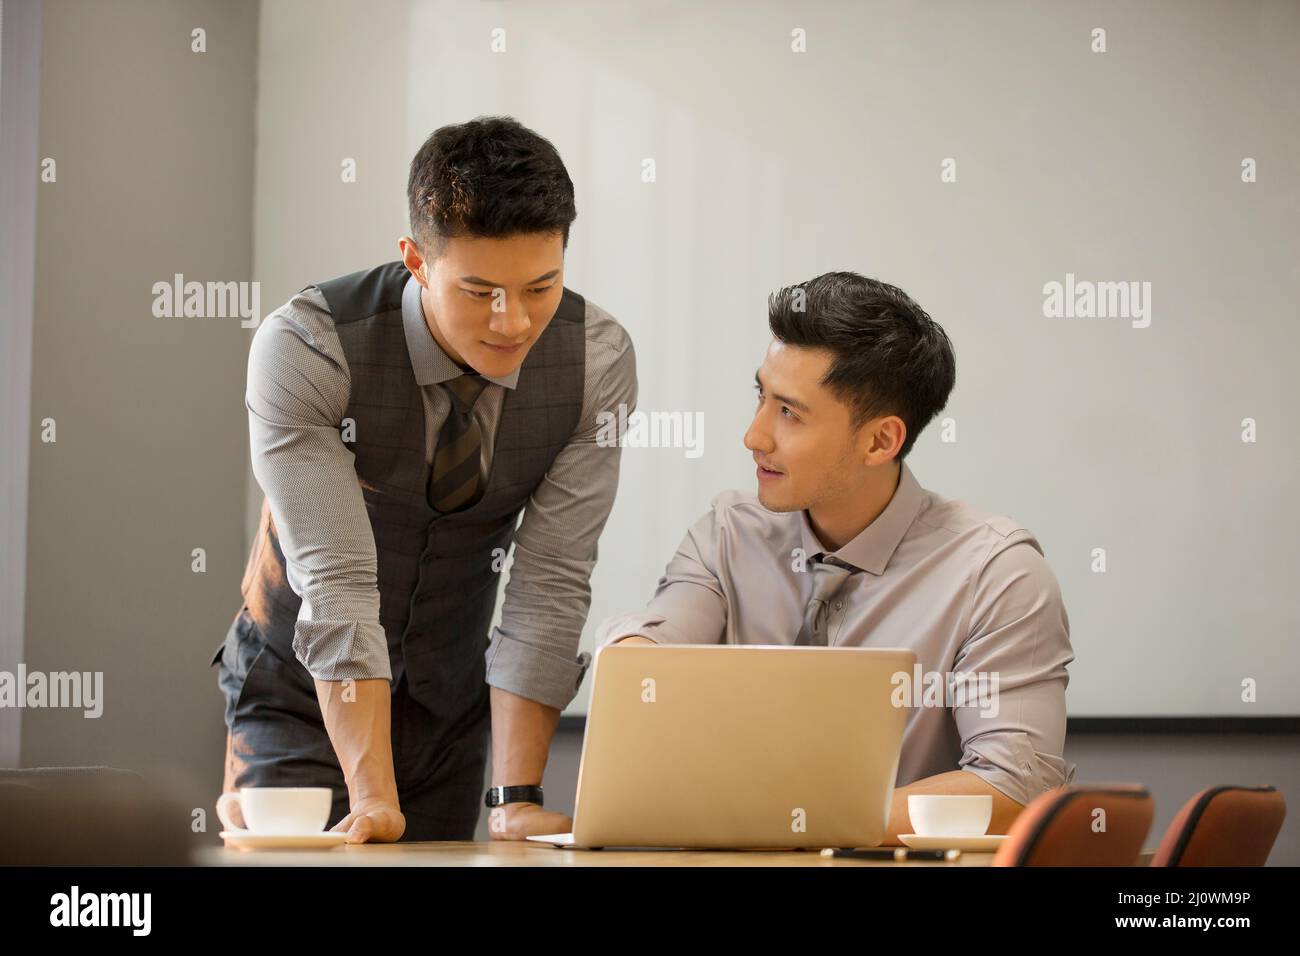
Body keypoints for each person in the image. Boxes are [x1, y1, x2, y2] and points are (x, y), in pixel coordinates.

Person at [213, 116, 636, 842]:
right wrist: (373, 797)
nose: (513, 322)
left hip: (449, 703)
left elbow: (551, 579)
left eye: (541, 286)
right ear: (416, 260)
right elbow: (338, 582)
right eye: (480, 291)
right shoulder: (309, 348)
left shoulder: (596, 362)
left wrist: (516, 796)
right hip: (299, 691)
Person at [596, 271, 1075, 844]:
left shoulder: (996, 573)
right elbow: (656, 648)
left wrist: (794, 820)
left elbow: (1015, 789)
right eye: (761, 397)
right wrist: (636, 658)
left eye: (789, 413)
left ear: (880, 441)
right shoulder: (728, 534)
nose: (754, 436)